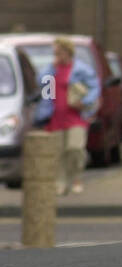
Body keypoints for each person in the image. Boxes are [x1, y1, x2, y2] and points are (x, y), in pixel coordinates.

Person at [33, 38, 100, 195]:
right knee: (58, 152)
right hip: (55, 116)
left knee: (75, 148)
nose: (56, 56)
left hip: (76, 116)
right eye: (54, 53)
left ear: (67, 52)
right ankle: (61, 182)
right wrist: (51, 68)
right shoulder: (51, 70)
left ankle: (76, 178)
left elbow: (94, 87)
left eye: (58, 52)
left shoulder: (80, 69)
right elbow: (42, 85)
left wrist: (85, 102)